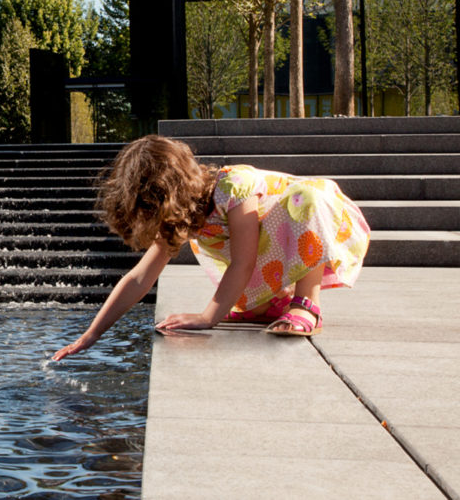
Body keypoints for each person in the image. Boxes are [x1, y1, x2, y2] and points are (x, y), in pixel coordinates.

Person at [52, 134, 370, 360]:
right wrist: (90, 334)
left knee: (310, 195)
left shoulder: (232, 188)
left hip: (315, 226)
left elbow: (244, 262)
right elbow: (139, 278)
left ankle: (305, 303)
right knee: (243, 295)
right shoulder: (180, 215)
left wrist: (208, 317)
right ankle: (270, 305)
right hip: (269, 254)